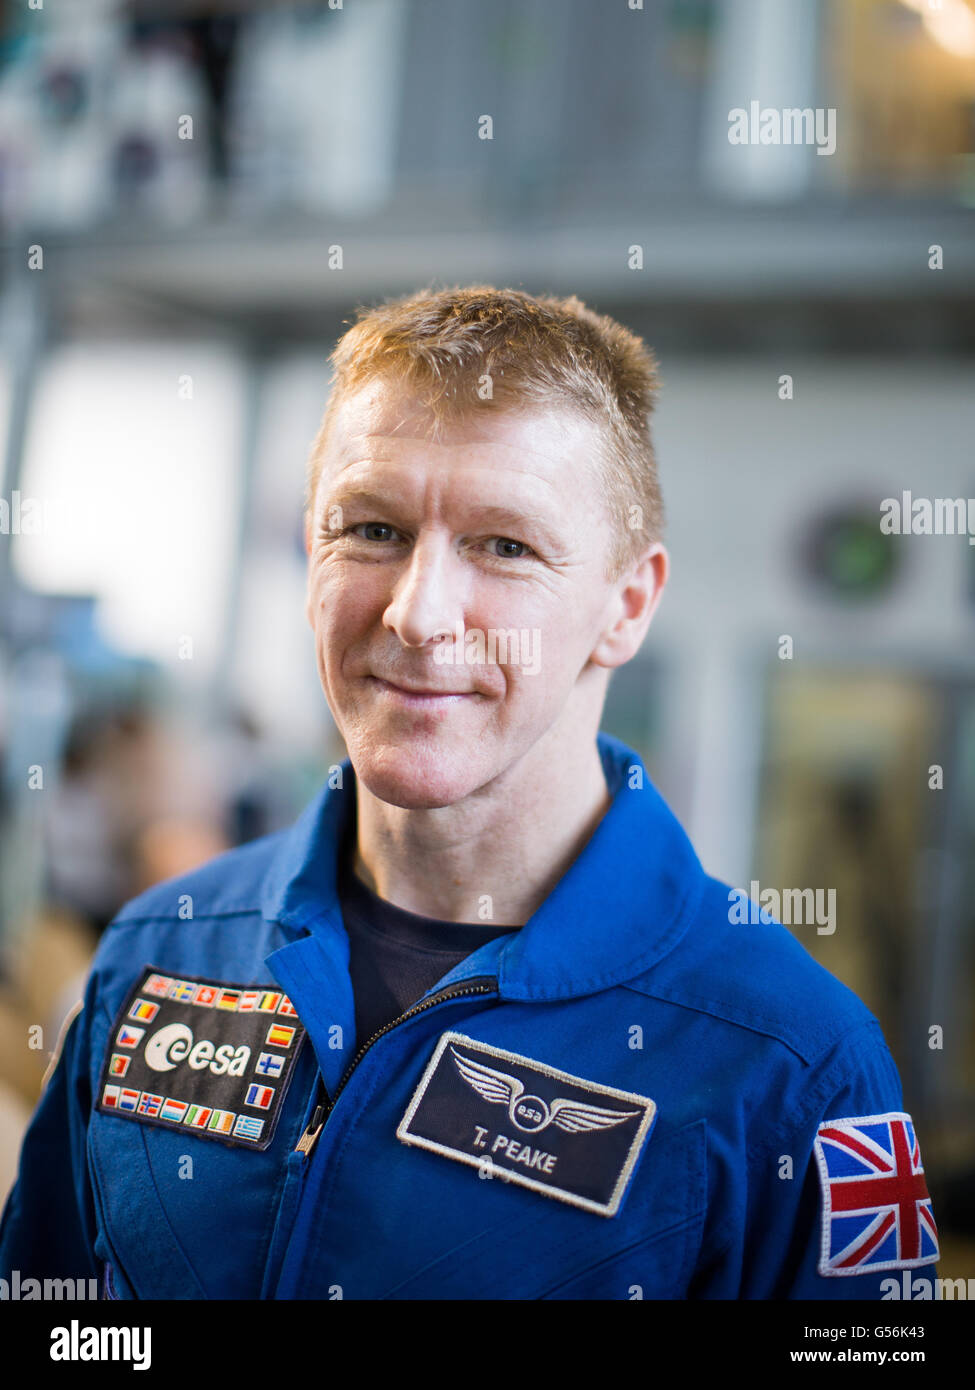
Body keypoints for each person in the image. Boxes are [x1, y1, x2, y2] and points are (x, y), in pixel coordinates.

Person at [0, 286, 939, 1299]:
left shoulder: (793, 1067)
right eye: (370, 528)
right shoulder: (165, 948)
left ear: (626, 606)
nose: (417, 612)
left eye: (505, 545)